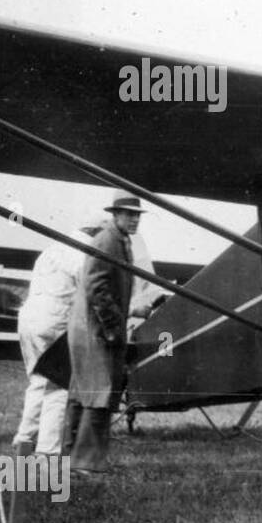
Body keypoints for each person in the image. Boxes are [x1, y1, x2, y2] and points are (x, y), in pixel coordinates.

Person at [67, 192, 154, 473]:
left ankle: (70, 455)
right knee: (100, 394)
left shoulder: (119, 240)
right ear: (115, 215)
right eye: (129, 214)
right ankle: (87, 464)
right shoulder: (107, 240)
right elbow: (97, 287)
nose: (134, 219)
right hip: (96, 331)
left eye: (137, 215)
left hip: (90, 329)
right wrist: (113, 328)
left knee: (83, 393)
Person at [10, 222, 100, 456]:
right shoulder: (82, 256)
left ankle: (24, 441)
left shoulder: (50, 251)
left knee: (38, 381)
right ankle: (47, 453)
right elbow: (92, 294)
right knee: (59, 387)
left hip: (28, 318)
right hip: (55, 322)